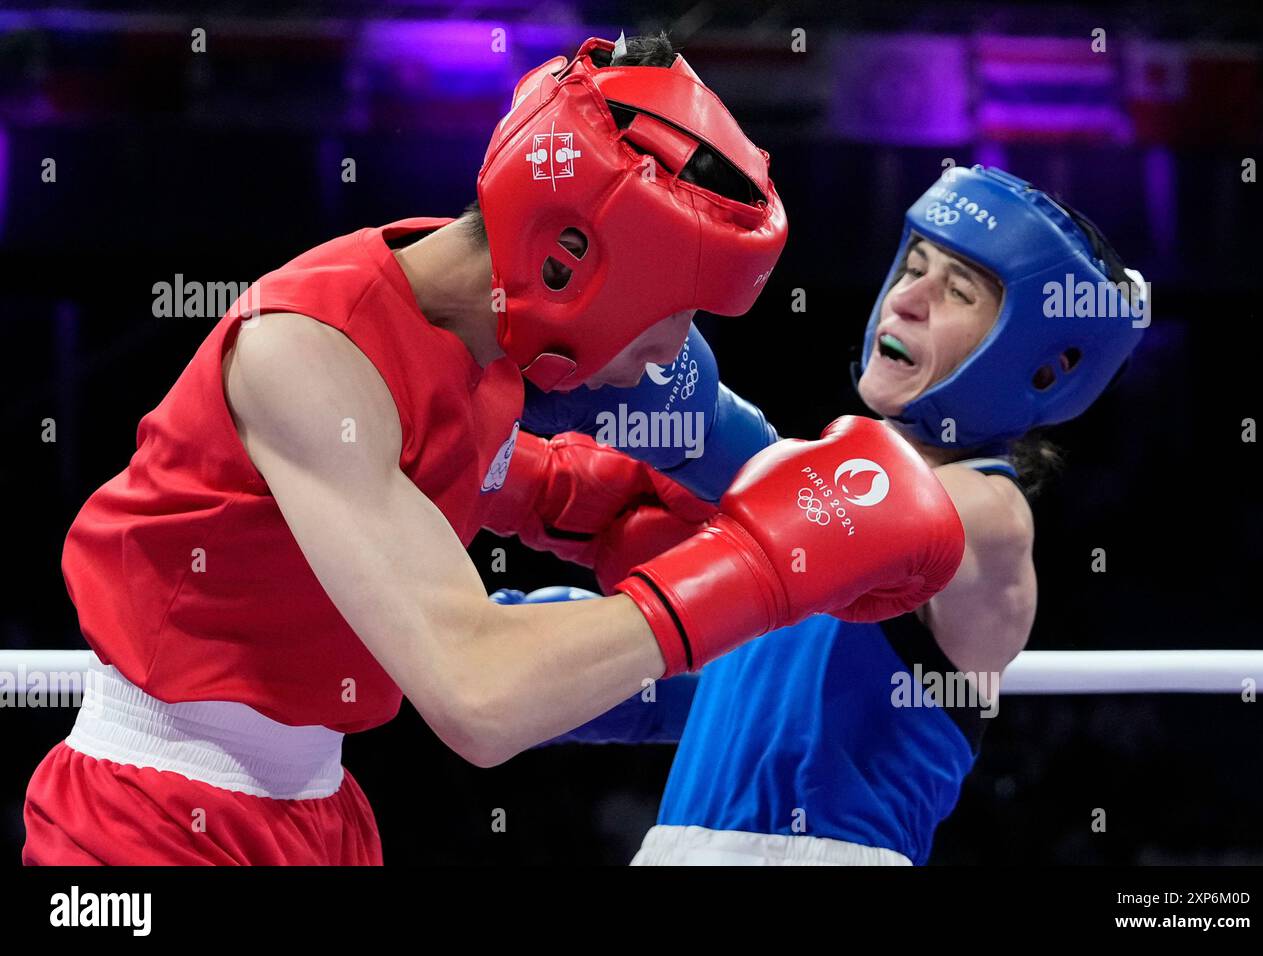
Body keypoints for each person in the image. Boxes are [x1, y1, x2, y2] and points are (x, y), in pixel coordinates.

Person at [21, 34, 964, 865]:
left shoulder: (478, 343)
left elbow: (479, 473)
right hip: (147, 814)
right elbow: (479, 696)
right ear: (569, 260)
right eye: (676, 308)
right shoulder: (304, 356)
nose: (676, 350)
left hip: (318, 809)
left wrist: (611, 505)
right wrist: (758, 563)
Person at [533, 165, 1148, 866]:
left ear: (1038, 367)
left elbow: (872, 512)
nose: (907, 300)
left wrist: (666, 402)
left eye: (957, 291)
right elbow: (768, 691)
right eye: (913, 268)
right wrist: (531, 649)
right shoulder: (817, 521)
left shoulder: (989, 514)